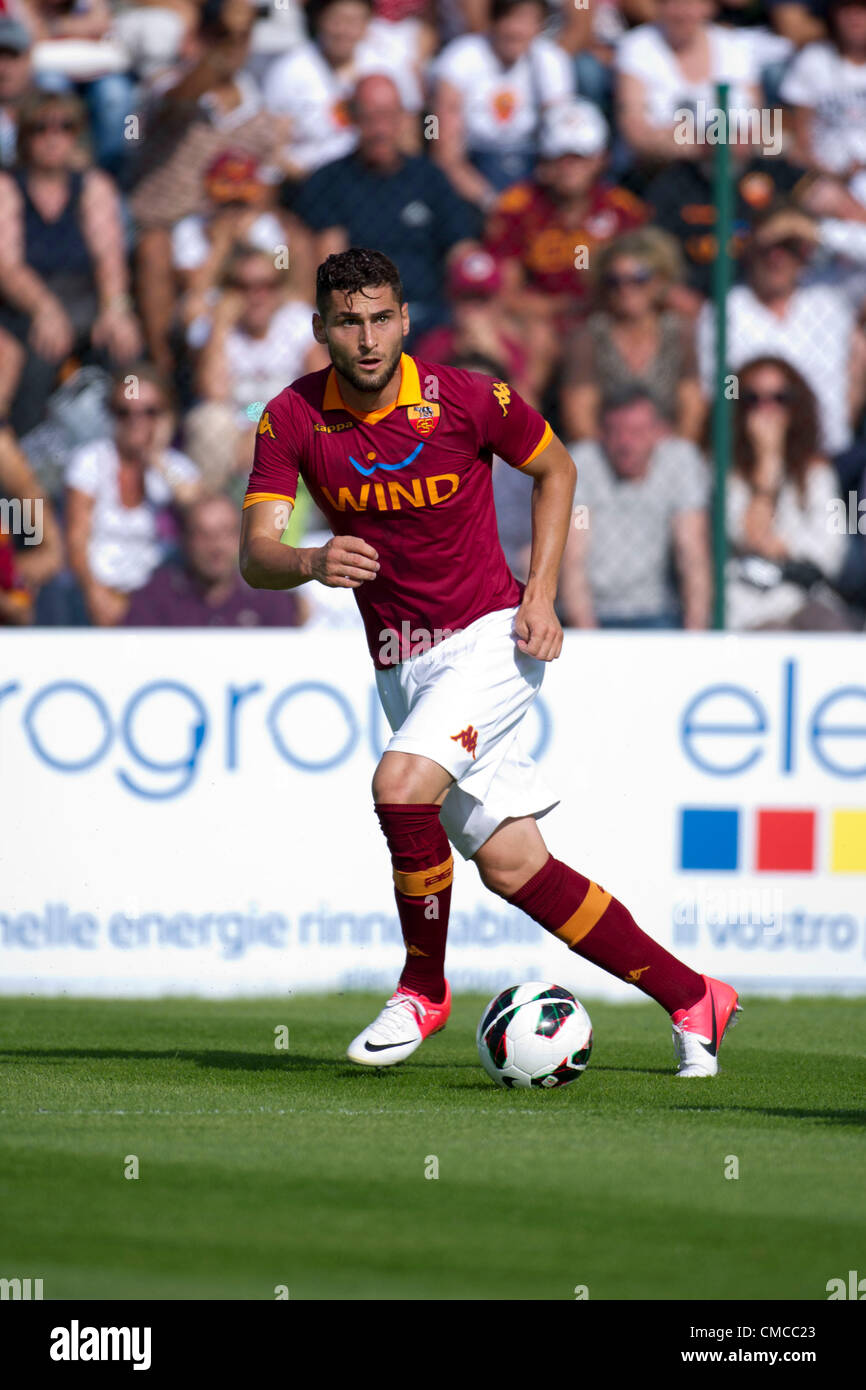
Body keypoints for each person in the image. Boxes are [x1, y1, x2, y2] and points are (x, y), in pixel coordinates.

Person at [239, 245, 741, 1078]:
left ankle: (422, 990)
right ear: (321, 328)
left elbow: (556, 467)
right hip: (401, 665)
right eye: (347, 322)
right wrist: (310, 560)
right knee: (514, 866)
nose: (366, 338)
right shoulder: (290, 417)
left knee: (398, 785)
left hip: (488, 641)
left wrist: (539, 595)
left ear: (403, 320)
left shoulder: (468, 398)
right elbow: (257, 553)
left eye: (380, 319)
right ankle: (696, 997)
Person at [292, 73, 478, 341]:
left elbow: (461, 250)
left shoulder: (430, 178)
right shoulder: (329, 182)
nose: (380, 130)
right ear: (353, 119)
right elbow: (331, 267)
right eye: (370, 118)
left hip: (434, 316)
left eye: (388, 117)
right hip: (365, 320)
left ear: (403, 118)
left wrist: (471, 299)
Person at [0, 88, 141, 435]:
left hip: (86, 303)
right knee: (36, 358)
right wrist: (44, 309)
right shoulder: (7, 187)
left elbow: (110, 258)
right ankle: (25, 462)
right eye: (40, 128)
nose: (53, 137)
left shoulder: (93, 186)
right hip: (25, 307)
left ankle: (130, 449)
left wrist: (116, 308)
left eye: (64, 127)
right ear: (24, 136)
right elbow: (7, 265)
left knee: (128, 354)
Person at [483, 99, 647, 389]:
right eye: (561, 157)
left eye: (579, 157)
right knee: (535, 338)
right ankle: (522, 426)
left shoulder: (623, 211)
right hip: (538, 325)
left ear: (600, 159)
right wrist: (561, 308)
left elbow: (642, 285)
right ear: (545, 160)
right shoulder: (518, 208)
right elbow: (505, 294)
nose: (570, 167)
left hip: (605, 319)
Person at [697, 203, 866, 456]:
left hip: (828, 452)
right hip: (751, 453)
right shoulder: (726, 311)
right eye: (767, 248)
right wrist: (739, 398)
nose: (776, 258)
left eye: (789, 246)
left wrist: (817, 231)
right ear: (751, 250)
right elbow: (719, 383)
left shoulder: (829, 299)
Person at [559, 387, 713, 628]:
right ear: (601, 433)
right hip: (594, 613)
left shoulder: (680, 462)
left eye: (637, 432)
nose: (626, 443)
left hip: (657, 610)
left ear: (659, 432)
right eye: (616, 432)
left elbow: (692, 553)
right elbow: (573, 557)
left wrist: (696, 635)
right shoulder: (582, 465)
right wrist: (588, 637)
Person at [65, 362, 200, 626]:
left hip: (158, 596)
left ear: (165, 417)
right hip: (97, 591)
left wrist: (156, 459)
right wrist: (95, 592)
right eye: (124, 412)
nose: (136, 421)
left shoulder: (175, 468)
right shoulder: (91, 461)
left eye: (149, 412)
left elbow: (196, 510)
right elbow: (76, 538)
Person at [725, 355, 853, 629]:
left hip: (805, 596)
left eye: (779, 398)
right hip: (748, 605)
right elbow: (749, 535)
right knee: (772, 634)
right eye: (753, 399)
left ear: (796, 408)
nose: (767, 409)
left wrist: (781, 546)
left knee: (831, 629)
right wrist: (767, 463)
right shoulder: (727, 474)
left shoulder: (817, 473)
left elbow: (830, 551)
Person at [560, 227, 705, 442]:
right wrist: (625, 451)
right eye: (614, 281)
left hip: (667, 449)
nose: (625, 289)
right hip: (606, 451)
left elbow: (692, 414)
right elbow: (580, 423)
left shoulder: (680, 334)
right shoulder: (588, 337)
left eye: (638, 279)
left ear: (660, 281)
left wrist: (666, 454)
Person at [430, 0, 574, 211]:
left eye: (527, 20)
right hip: (475, 165)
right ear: (494, 21)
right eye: (510, 19)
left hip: (533, 169)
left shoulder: (551, 61)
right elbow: (445, 152)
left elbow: (560, 141)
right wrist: (490, 201)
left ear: (540, 26)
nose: (517, 30)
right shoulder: (460, 58)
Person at [125, 491, 307, 625]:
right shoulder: (155, 597)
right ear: (185, 540)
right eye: (204, 535)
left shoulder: (270, 600)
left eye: (225, 533)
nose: (216, 547)